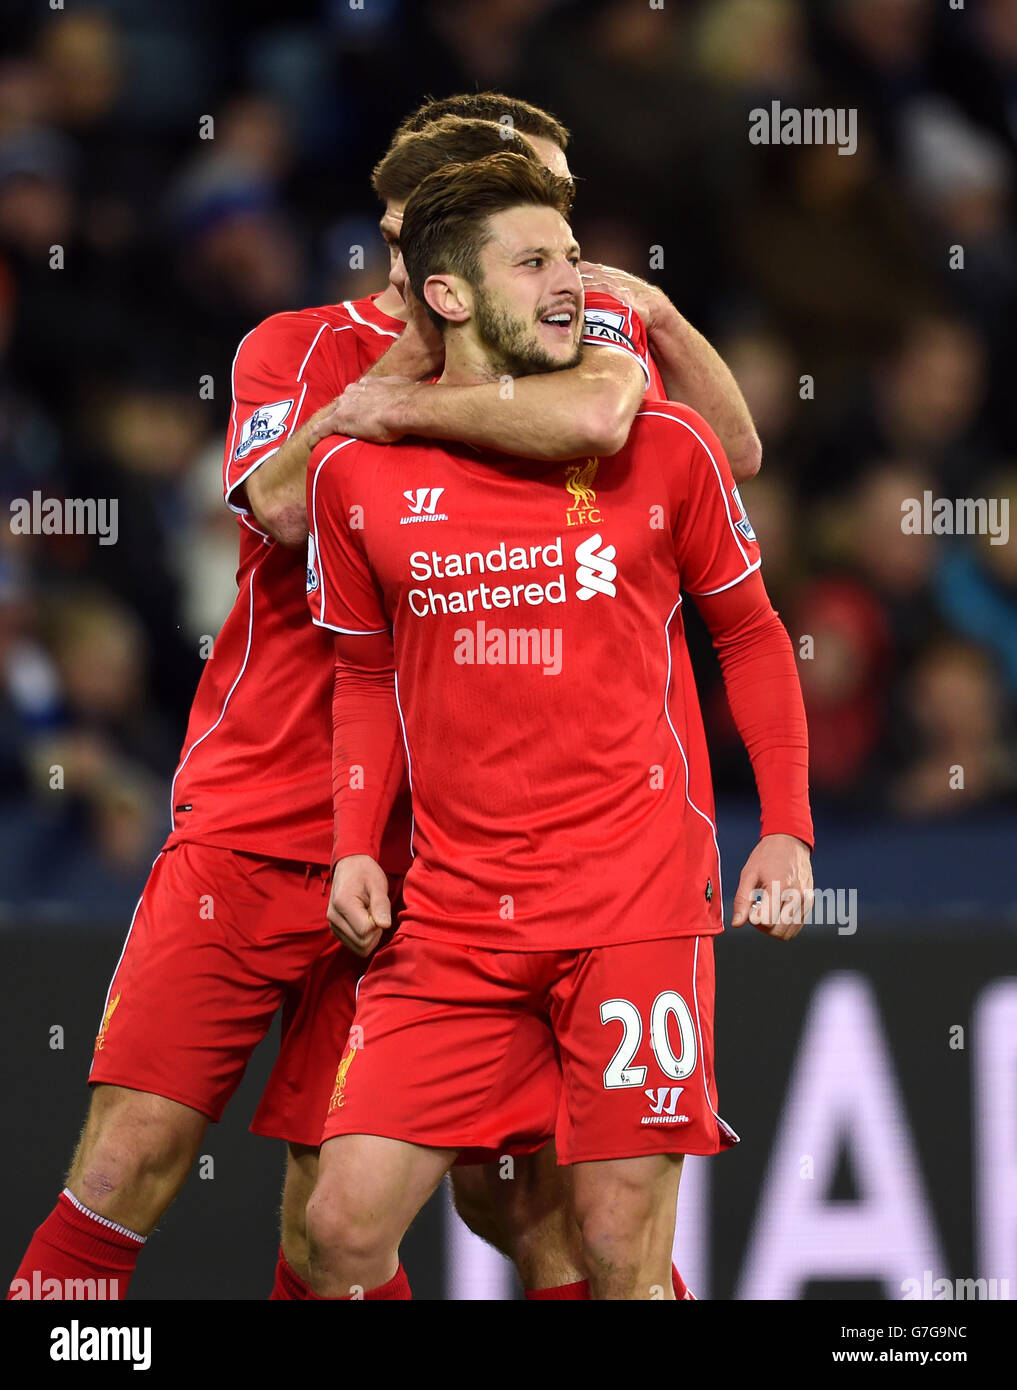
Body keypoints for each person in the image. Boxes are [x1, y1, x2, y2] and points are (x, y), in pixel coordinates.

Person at [304, 152, 814, 1301]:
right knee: (338, 1228)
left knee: (618, 1245)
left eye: (571, 256)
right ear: (448, 294)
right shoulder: (356, 470)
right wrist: (349, 840)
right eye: (533, 260)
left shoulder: (659, 444)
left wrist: (786, 825)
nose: (572, 280)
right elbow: (363, 669)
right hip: (454, 911)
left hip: (634, 897)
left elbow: (752, 633)